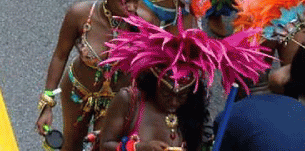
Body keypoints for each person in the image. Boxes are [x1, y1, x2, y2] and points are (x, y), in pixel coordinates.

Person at [97, 17, 269, 151]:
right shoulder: (129, 100)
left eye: (181, 96)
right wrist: (139, 148)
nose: (173, 102)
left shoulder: (193, 111)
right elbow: (105, 145)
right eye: (166, 94)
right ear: (154, 85)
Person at [36, 0, 141, 151]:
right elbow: (60, 55)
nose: (133, 8)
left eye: (137, 1)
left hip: (116, 100)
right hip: (78, 92)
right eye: (126, 1)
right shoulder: (81, 15)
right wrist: (47, 104)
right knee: (72, 144)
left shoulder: (144, 24)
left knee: (102, 147)